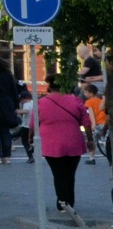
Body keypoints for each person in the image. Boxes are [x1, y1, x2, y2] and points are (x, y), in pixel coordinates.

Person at [37, 78, 89, 216]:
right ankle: (69, 202)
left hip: (50, 143)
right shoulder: (75, 100)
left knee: (58, 173)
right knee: (70, 174)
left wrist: (31, 138)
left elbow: (33, 123)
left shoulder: (41, 102)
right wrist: (90, 140)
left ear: (49, 86)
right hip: (73, 141)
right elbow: (86, 122)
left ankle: (62, 203)